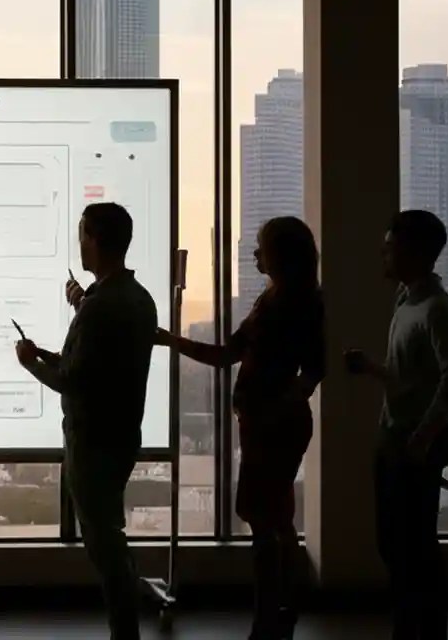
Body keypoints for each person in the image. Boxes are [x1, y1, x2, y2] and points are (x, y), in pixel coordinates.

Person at [136, 217, 324, 640]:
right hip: (266, 424)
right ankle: (281, 610)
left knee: (263, 520)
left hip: (270, 426)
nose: (254, 254)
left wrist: (275, 408)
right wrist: (173, 341)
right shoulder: (278, 300)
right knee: (277, 518)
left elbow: (307, 371)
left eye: (260, 247)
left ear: (281, 254)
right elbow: (229, 355)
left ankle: (268, 615)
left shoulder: (290, 303)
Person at [16, 202, 157, 640]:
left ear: (95, 240)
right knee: (110, 536)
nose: (79, 243)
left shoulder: (99, 307)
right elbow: (99, 367)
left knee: (104, 545)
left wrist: (30, 363)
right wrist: (50, 352)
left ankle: (125, 630)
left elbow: (73, 381)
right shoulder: (139, 299)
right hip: (121, 434)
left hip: (92, 440)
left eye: (82, 235)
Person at [346, 210, 448, 640]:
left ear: (414, 252)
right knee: (394, 544)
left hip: (416, 440)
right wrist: (373, 369)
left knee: (414, 547)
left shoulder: (438, 309)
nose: (382, 252)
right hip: (396, 434)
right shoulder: (406, 301)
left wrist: (422, 437)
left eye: (390, 245)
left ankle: (424, 631)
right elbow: (413, 377)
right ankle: (410, 627)